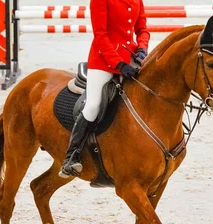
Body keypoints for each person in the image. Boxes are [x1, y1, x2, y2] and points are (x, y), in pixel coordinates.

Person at [58, 0, 150, 178]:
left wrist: (142, 48)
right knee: (93, 106)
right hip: (103, 61)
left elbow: (142, 30)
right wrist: (118, 63)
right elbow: (100, 36)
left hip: (131, 59)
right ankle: (72, 156)